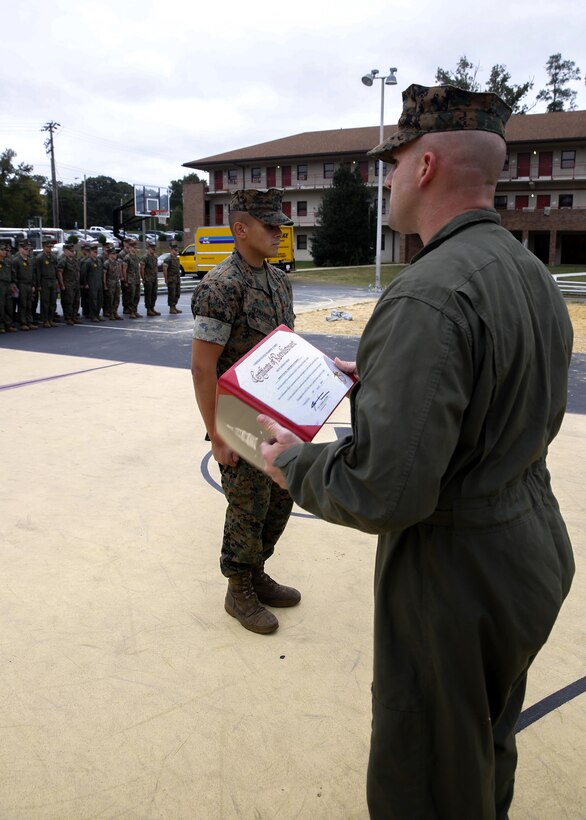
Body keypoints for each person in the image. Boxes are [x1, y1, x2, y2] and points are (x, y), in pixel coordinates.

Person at [258, 85, 575, 818]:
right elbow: (502, 394)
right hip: (526, 548)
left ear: (425, 165)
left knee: (428, 772)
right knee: (482, 741)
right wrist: (388, 382)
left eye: (393, 162)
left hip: (455, 571)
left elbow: (387, 490)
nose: (385, 178)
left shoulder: (427, 294)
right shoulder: (530, 274)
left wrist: (289, 460)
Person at [190, 188, 300, 635]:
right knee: (248, 506)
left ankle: (256, 571)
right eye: (269, 226)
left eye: (279, 225)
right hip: (236, 419)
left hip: (279, 416)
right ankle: (239, 588)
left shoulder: (279, 281)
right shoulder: (221, 286)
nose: (278, 233)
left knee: (282, 498)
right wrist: (217, 435)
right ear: (241, 229)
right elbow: (202, 367)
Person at [33, 237, 59, 327]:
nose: (50, 249)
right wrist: (39, 285)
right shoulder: (40, 258)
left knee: (53, 301)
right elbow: (38, 272)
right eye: (48, 247)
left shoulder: (54, 257)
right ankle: (45, 320)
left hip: (52, 280)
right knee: (45, 301)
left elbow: (56, 270)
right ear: (44, 247)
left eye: (50, 247)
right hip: (44, 281)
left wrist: (57, 281)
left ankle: (51, 319)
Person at [12, 241, 37, 330]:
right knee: (22, 304)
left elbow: (33, 273)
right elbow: (14, 274)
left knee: (29, 304)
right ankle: (23, 322)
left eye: (28, 249)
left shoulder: (30, 260)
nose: (27, 250)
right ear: (20, 249)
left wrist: (33, 285)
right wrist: (16, 285)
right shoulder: (16, 260)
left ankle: (29, 321)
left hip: (29, 284)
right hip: (21, 284)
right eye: (25, 249)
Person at [57, 243, 81, 326]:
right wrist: (62, 284)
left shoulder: (75, 260)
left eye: (73, 251)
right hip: (67, 284)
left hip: (75, 283)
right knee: (68, 302)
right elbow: (60, 273)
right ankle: (68, 317)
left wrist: (78, 280)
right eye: (71, 251)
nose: (73, 253)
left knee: (76, 301)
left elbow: (77, 271)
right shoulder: (63, 261)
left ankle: (74, 316)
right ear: (66, 251)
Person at [80, 244, 105, 322]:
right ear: (90, 252)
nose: (95, 253)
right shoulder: (87, 262)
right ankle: (93, 315)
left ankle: (97, 314)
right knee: (93, 300)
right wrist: (85, 283)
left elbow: (101, 272)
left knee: (99, 299)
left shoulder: (99, 261)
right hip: (91, 283)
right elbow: (83, 273)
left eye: (96, 252)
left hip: (99, 283)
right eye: (94, 252)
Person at [121, 239, 142, 319]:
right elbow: (124, 270)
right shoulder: (127, 257)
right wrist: (125, 280)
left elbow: (138, 269)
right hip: (130, 280)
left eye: (136, 247)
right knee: (131, 296)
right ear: (130, 248)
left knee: (137, 296)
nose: (135, 249)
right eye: (134, 247)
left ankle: (135, 310)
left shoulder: (136, 257)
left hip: (136, 279)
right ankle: (131, 312)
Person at [0, 241, 18, 333]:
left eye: (5, 250)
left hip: (8, 285)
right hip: (0, 285)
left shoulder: (8, 261)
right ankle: (1, 325)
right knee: (1, 306)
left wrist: (14, 283)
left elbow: (13, 272)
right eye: (2, 250)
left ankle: (8, 324)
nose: (4, 252)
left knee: (9, 306)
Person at [140, 240, 160, 316]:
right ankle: (148, 309)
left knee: (154, 294)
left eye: (154, 249)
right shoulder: (145, 258)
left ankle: (152, 308)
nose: (153, 250)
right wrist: (143, 278)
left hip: (154, 278)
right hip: (148, 279)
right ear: (148, 248)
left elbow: (155, 268)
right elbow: (141, 268)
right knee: (148, 295)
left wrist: (156, 276)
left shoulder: (155, 257)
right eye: (152, 249)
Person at [103, 247, 123, 320]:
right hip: (110, 283)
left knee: (116, 298)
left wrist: (121, 277)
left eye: (115, 253)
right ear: (110, 254)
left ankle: (115, 312)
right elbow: (104, 275)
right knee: (110, 299)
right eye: (113, 254)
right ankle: (110, 313)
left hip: (116, 283)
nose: (115, 255)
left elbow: (119, 272)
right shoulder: (106, 263)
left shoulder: (116, 263)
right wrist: (105, 285)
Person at [163, 243, 182, 314]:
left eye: (176, 250)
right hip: (171, 279)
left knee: (177, 293)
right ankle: (171, 307)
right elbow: (165, 269)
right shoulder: (168, 259)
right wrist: (166, 278)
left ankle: (174, 306)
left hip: (177, 279)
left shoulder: (177, 258)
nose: (176, 251)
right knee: (172, 294)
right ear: (171, 250)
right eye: (175, 250)